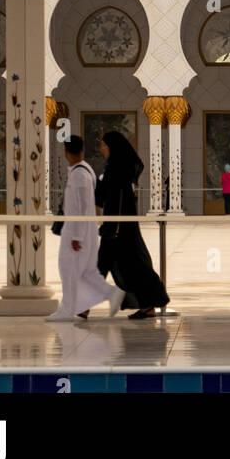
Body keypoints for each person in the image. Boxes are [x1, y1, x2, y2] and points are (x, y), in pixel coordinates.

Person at [46, 135, 124, 323]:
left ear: (66, 152)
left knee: (68, 269)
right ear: (82, 150)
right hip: (84, 230)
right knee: (87, 272)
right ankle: (113, 293)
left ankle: (67, 310)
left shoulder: (79, 175)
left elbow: (80, 207)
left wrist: (77, 236)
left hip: (77, 231)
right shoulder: (86, 170)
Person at [97, 130, 169, 319]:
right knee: (132, 265)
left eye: (104, 145)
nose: (101, 148)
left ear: (112, 147)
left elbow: (106, 197)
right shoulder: (120, 167)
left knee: (110, 265)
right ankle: (147, 304)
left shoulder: (115, 170)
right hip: (122, 225)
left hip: (117, 227)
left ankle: (83, 307)